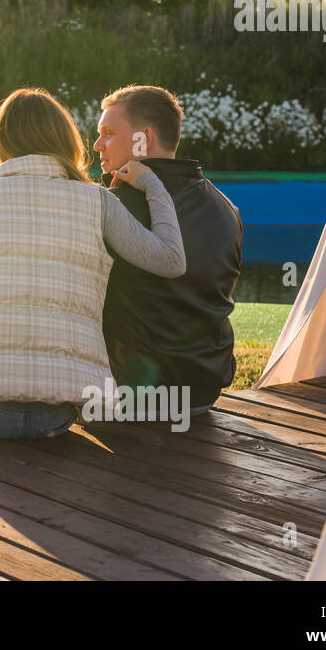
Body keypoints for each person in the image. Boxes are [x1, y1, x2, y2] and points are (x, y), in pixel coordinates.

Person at [0, 87, 186, 438]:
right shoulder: (99, 203)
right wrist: (151, 184)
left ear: (3, 141)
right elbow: (171, 260)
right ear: (64, 137)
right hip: (54, 417)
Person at [93, 85, 243, 417]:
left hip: (133, 398)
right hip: (203, 392)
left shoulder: (113, 208)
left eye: (108, 133)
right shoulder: (227, 208)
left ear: (142, 139)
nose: (97, 144)